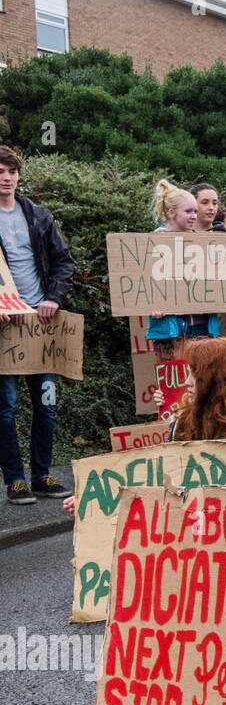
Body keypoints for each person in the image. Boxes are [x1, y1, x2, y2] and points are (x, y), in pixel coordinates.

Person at [0, 145, 76, 504]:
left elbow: (64, 262)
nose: (6, 177)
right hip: (5, 328)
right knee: (7, 408)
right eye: (0, 171)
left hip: (41, 325)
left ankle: (42, 476)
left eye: (11, 171)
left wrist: (54, 298)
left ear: (18, 175)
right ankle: (15, 481)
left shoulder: (39, 216)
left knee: (46, 404)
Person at [146, 179, 219, 352]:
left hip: (203, 329)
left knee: (203, 379)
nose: (194, 216)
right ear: (171, 213)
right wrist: (151, 304)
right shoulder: (152, 243)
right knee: (176, 380)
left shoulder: (205, 243)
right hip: (170, 331)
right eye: (188, 211)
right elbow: (145, 282)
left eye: (195, 211)